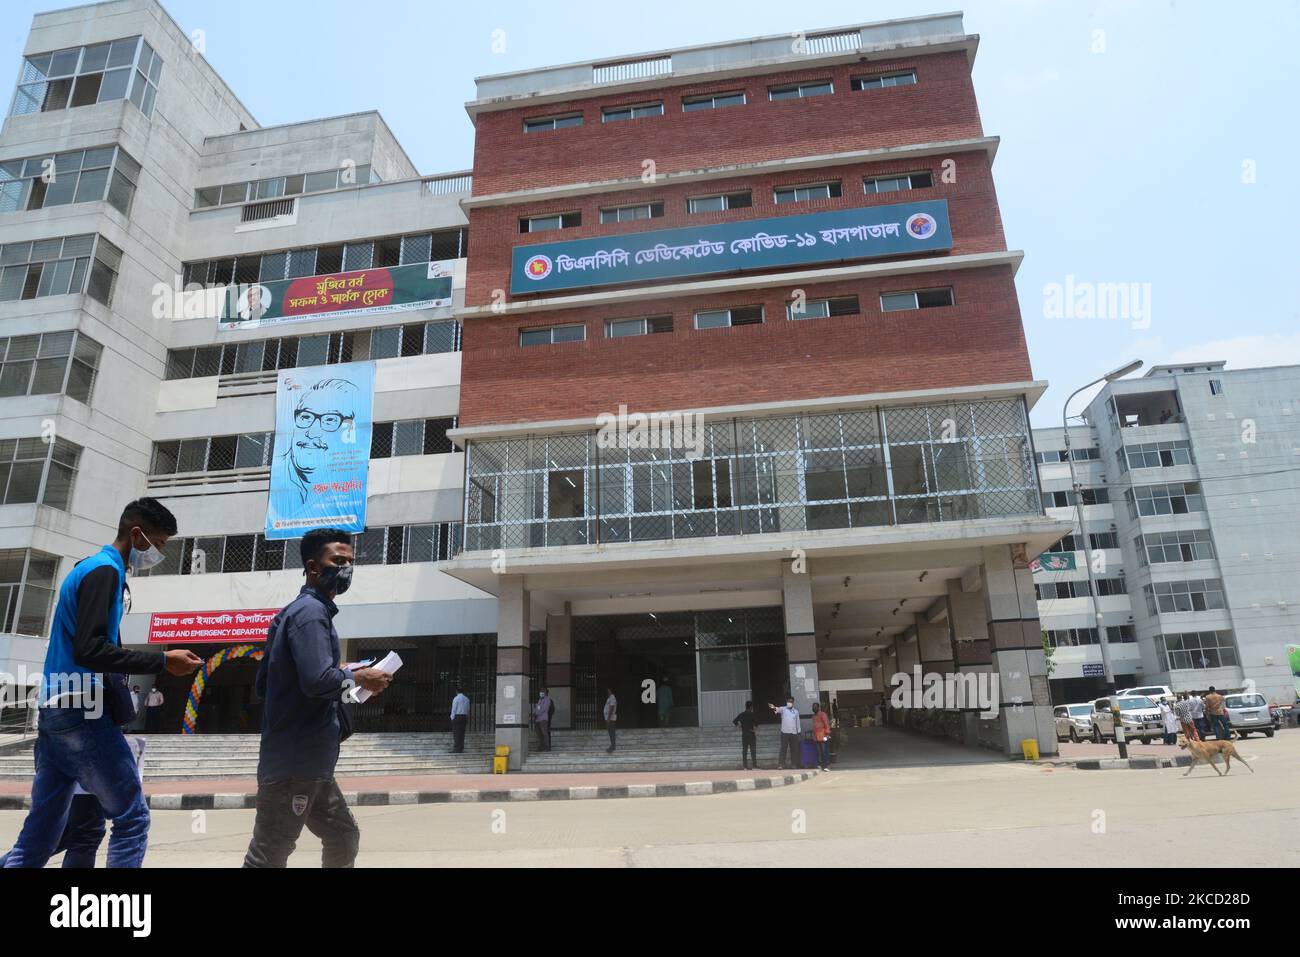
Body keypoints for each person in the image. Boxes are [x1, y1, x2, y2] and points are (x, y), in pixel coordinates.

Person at [1, 499, 202, 869]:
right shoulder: (104, 572)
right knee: (131, 818)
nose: (158, 554)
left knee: (39, 841)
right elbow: (90, 649)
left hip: (56, 711)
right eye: (158, 544)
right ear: (136, 535)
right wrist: (162, 660)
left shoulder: (89, 570)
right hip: (83, 711)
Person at [242, 528, 391, 868]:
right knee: (269, 853)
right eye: (337, 561)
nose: (347, 569)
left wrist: (341, 669)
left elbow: (267, 683)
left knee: (342, 835)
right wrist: (356, 676)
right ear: (312, 567)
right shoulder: (310, 613)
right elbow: (316, 681)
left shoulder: (298, 612)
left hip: (311, 763)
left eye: (351, 562)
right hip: (295, 763)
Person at [769, 696, 802, 770]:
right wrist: (772, 706)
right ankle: (781, 765)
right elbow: (776, 709)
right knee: (783, 749)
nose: (789, 703)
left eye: (790, 701)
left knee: (794, 749)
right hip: (784, 732)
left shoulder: (796, 711)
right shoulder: (783, 709)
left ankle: (794, 764)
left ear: (793, 703)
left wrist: (799, 731)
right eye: (788, 701)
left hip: (794, 733)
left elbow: (798, 722)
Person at [733, 700, 759, 770]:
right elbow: (756, 723)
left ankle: (745, 766)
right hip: (751, 733)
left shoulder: (741, 714)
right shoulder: (752, 714)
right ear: (751, 707)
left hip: (744, 734)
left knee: (744, 750)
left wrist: (739, 726)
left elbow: (734, 721)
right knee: (753, 750)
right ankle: (754, 766)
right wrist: (754, 730)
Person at [449, 685, 470, 753]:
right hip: (464, 716)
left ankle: (456, 748)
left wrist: (452, 718)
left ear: (456, 691)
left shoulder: (456, 698)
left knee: (456, 733)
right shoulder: (467, 699)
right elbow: (468, 709)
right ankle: (461, 747)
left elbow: (454, 709)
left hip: (457, 716)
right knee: (462, 733)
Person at [812, 702, 832, 771]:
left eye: (815, 706)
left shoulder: (822, 714)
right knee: (819, 751)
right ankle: (820, 765)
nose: (813, 708)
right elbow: (814, 727)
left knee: (824, 751)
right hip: (817, 737)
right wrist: (814, 737)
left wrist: (827, 734)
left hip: (823, 736)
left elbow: (826, 724)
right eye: (813, 707)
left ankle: (826, 765)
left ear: (818, 707)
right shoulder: (814, 716)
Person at [533, 688, 552, 753]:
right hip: (538, 719)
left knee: (544, 733)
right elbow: (537, 708)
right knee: (539, 734)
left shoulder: (547, 699)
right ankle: (541, 746)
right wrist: (534, 713)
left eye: (542, 692)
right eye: (540, 692)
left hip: (543, 719)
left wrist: (536, 713)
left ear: (545, 693)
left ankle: (547, 747)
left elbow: (544, 708)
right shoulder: (540, 700)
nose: (541, 693)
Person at [603, 687, 617, 753]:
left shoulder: (612, 697)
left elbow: (611, 707)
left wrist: (608, 718)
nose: (607, 691)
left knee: (611, 732)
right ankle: (612, 746)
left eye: (608, 690)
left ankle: (613, 746)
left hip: (610, 719)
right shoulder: (610, 698)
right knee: (610, 732)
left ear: (611, 690)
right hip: (609, 718)